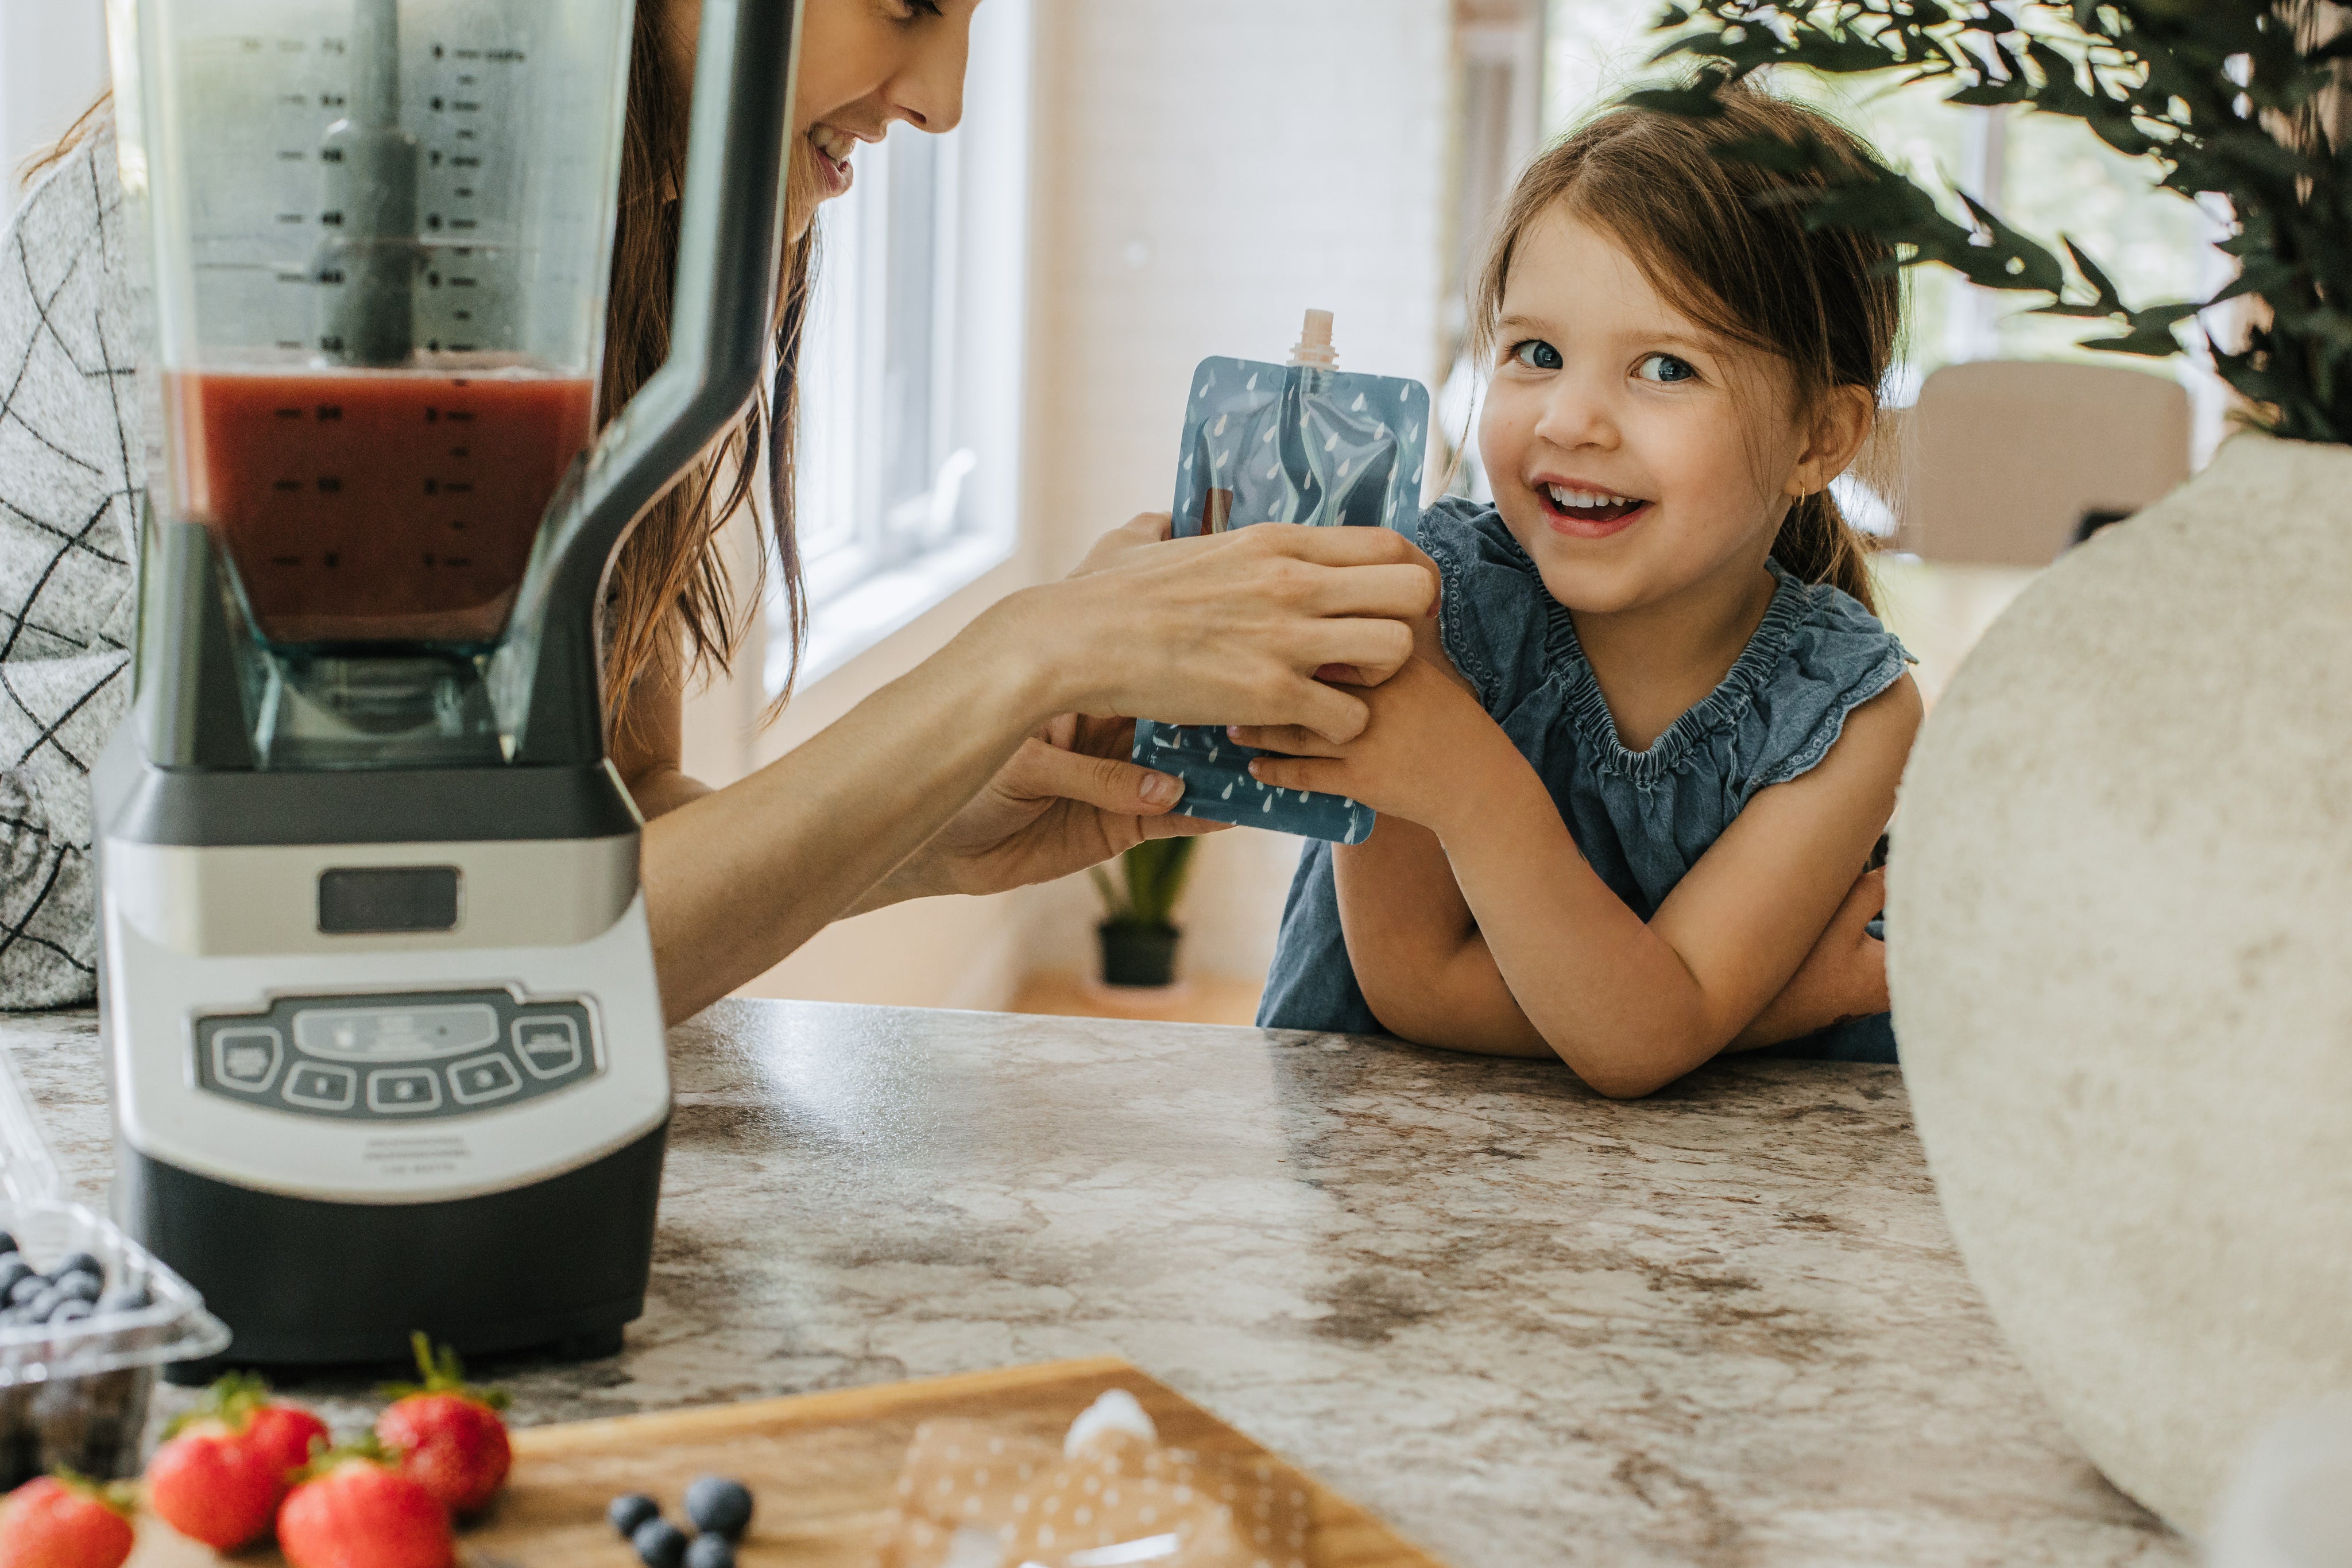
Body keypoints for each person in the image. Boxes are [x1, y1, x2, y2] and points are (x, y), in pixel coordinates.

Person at [0, 1, 1869, 1033]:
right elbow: (402, 966)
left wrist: (933, 834)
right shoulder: (344, 225)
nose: (954, 95)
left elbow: (599, 838)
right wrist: (1017, 661)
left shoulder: (618, 249)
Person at [1242, 87, 1919, 1096]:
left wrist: (1464, 780)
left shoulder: (1852, 711)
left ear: (1819, 439)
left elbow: (1646, 1035)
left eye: (1664, 367)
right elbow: (1418, 988)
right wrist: (1776, 1007)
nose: (1571, 419)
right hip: (1405, 1192)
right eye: (1537, 354)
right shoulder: (1418, 606)